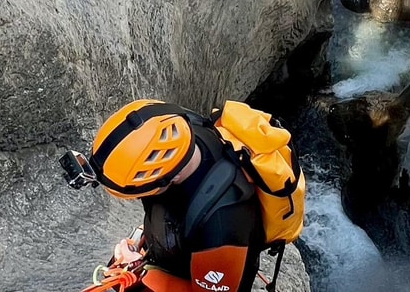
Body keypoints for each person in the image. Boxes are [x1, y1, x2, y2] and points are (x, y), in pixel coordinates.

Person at [68, 100, 266, 292]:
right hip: (172, 257)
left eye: (141, 192)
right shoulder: (184, 131)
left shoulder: (223, 224)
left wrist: (140, 272)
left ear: (173, 176)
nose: (140, 198)